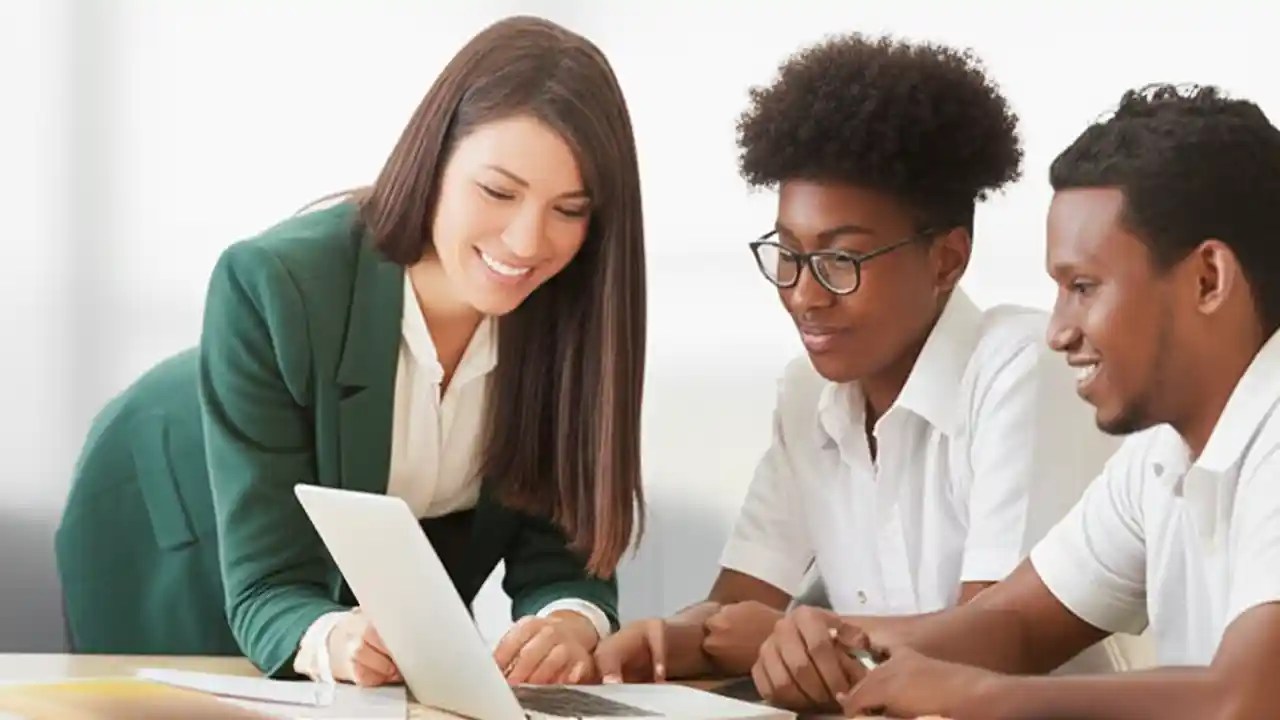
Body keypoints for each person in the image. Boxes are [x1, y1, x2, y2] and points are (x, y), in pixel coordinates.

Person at [55, 15, 646, 688]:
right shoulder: (273, 284)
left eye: (568, 210)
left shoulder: (566, 313)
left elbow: (564, 554)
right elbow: (269, 584)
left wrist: (569, 623)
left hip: (326, 569)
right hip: (172, 509)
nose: (526, 240)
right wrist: (332, 637)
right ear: (436, 162)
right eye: (497, 191)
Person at [593, 32, 1121, 704]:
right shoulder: (808, 393)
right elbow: (737, 607)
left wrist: (785, 638)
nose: (804, 294)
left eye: (841, 261)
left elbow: (995, 642)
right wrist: (672, 640)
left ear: (946, 260)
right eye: (787, 254)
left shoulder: (1017, 367)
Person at [766, 83, 1280, 720]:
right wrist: (843, 644)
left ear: (1208, 280)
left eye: (1084, 287)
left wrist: (980, 697)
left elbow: (1249, 700)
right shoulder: (1161, 454)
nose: (1059, 330)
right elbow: (1017, 623)